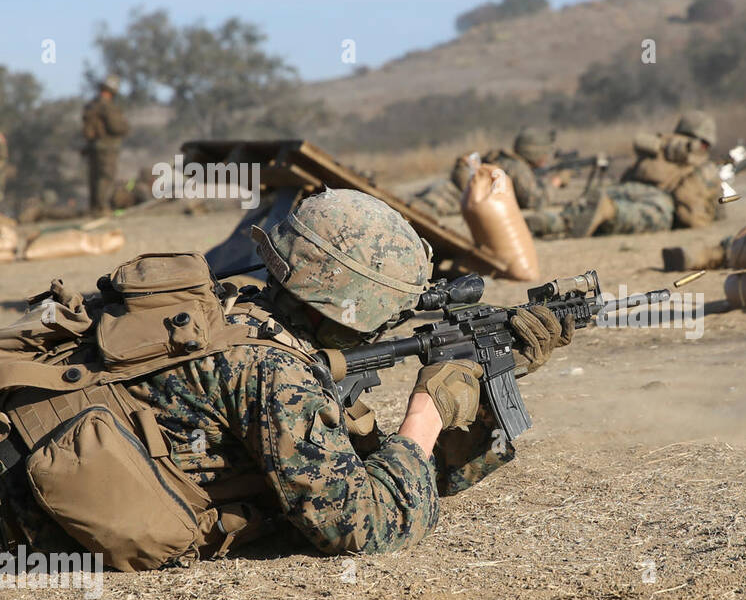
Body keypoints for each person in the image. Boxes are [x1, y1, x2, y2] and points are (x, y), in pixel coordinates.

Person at [0, 190, 572, 570]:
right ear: (352, 301)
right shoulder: (273, 371)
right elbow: (362, 526)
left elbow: (382, 473)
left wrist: (496, 368)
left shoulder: (240, 309)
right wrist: (427, 411)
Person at [526, 111, 722, 240]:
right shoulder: (696, 156)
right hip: (659, 197)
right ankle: (610, 212)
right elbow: (689, 211)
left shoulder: (661, 142)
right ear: (706, 141)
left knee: (586, 211)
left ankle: (551, 221)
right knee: (635, 215)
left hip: (626, 188)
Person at [416, 126, 557, 216]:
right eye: (544, 152)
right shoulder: (518, 168)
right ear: (534, 152)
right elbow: (535, 202)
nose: (546, 157)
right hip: (445, 201)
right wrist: (555, 182)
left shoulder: (502, 160)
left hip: (440, 191)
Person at [81, 74, 131, 216]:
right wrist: (125, 127)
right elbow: (116, 126)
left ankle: (94, 207)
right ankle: (102, 208)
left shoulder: (92, 104)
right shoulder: (107, 106)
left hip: (93, 147)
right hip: (107, 147)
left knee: (95, 177)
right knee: (106, 177)